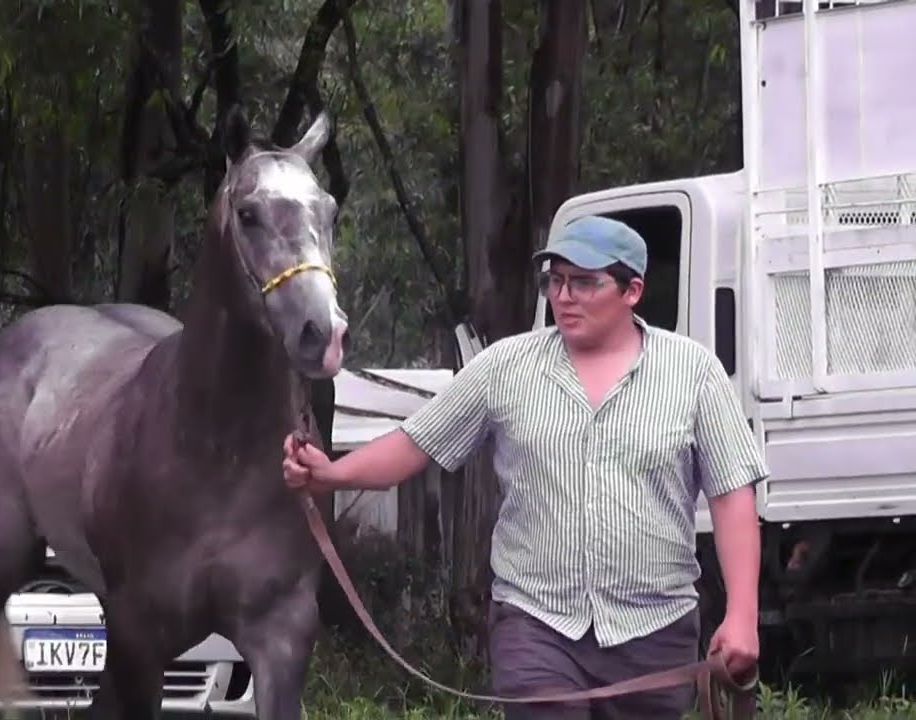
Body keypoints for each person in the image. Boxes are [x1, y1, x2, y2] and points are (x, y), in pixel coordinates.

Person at [282, 215, 766, 719]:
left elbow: (733, 494)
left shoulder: (694, 373)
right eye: (555, 280)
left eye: (584, 282)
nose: (564, 295)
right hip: (536, 623)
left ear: (632, 291)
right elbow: (416, 443)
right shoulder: (505, 367)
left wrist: (742, 616)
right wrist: (332, 474)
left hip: (654, 630)